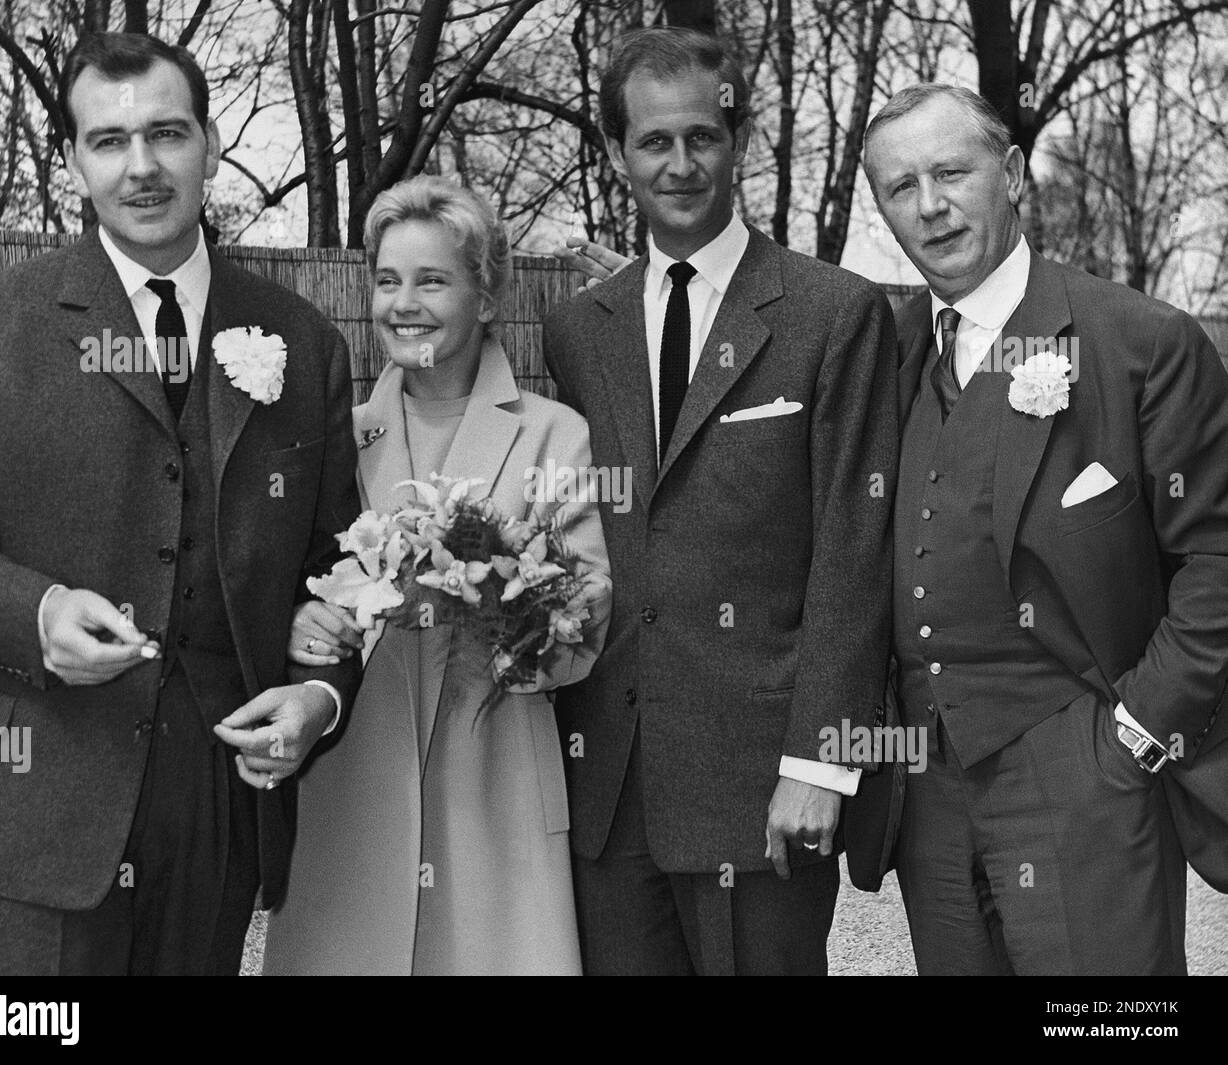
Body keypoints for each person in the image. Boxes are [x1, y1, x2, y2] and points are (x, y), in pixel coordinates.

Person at [0, 31, 362, 975]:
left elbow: (347, 573)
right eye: (109, 140)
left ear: (208, 145)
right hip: (42, 799)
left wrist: (321, 699)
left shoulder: (304, 341)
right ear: (75, 162)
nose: (143, 166)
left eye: (167, 133)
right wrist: (36, 612)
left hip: (219, 788)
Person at [543, 27, 897, 975]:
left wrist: (819, 762)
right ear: (619, 155)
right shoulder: (579, 329)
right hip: (609, 789)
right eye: (654, 141)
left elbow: (854, 548)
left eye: (703, 136)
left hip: (762, 786)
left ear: (737, 142)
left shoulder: (833, 312)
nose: (681, 162)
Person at [862, 82, 1228, 974]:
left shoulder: (1141, 341)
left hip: (1086, 773)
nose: (931, 206)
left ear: (1014, 173)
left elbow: (1217, 560)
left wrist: (1135, 736)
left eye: (953, 172)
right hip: (923, 787)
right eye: (901, 187)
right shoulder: (886, 351)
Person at [262, 176, 612, 975]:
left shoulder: (556, 435)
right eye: (387, 280)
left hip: (498, 797)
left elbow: (586, 627)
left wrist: (493, 597)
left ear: (486, 296)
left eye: (432, 279)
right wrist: (299, 623)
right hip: (351, 797)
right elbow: (275, 588)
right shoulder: (334, 438)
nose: (403, 303)